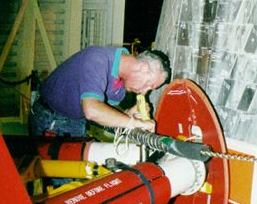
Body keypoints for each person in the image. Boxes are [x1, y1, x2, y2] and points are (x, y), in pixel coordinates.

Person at [28, 46, 171, 138]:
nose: (144, 92)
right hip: (50, 117)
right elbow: (92, 110)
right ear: (143, 67)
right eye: (148, 85)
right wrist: (135, 123)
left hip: (76, 120)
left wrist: (129, 113)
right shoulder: (97, 59)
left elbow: (106, 112)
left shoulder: (122, 83)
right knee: (64, 183)